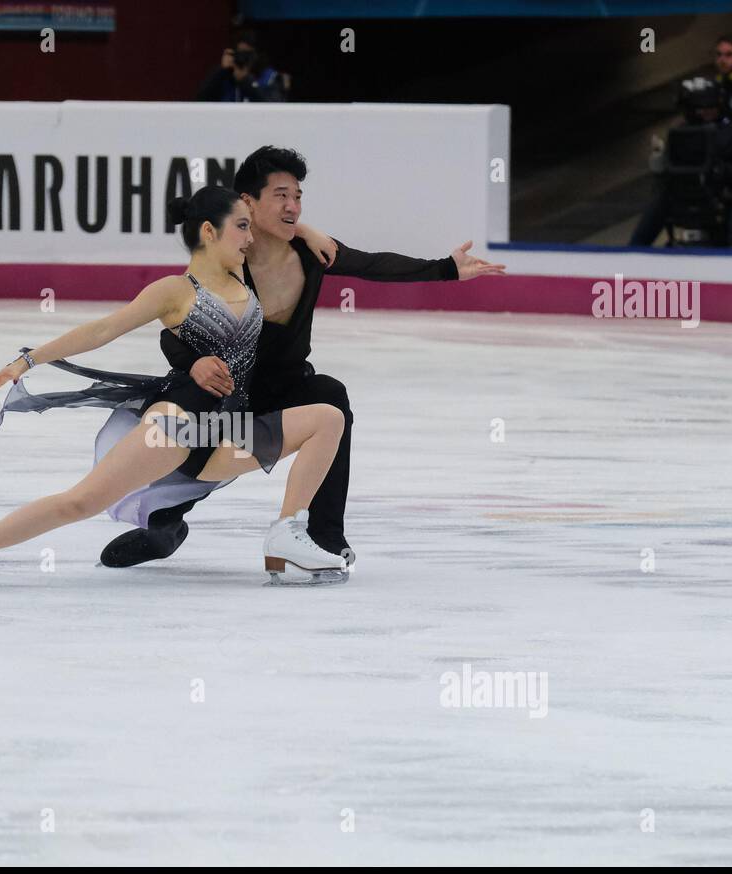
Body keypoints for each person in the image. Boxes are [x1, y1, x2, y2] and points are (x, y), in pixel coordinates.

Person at [0, 187, 350, 588]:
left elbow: (281, 226)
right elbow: (103, 330)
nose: (251, 238)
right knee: (82, 502)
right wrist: (28, 359)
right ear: (210, 232)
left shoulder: (242, 276)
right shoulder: (176, 290)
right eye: (241, 227)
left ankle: (285, 537)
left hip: (229, 429)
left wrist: (307, 232)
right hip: (181, 424)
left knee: (327, 418)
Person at [98, 146, 505, 571]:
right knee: (193, 476)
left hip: (286, 384)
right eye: (280, 196)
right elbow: (178, 327)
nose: (292, 206)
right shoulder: (227, 262)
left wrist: (445, 268)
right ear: (248, 204)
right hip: (225, 392)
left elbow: (373, 264)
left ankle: (325, 533)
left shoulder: (313, 252)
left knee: (331, 397)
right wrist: (194, 363)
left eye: (298, 197)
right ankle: (163, 528)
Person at [629, 76, 732, 247]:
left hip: (722, 191)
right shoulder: (679, 132)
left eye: (710, 106)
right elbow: (665, 166)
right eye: (699, 108)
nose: (705, 112)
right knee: (660, 197)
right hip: (682, 190)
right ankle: (634, 250)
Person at [196, 31, 287, 103]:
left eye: (248, 54)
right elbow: (201, 100)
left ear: (258, 55)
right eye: (240, 53)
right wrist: (220, 72)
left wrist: (246, 81)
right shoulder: (225, 76)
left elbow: (273, 108)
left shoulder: (270, 77)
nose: (244, 58)